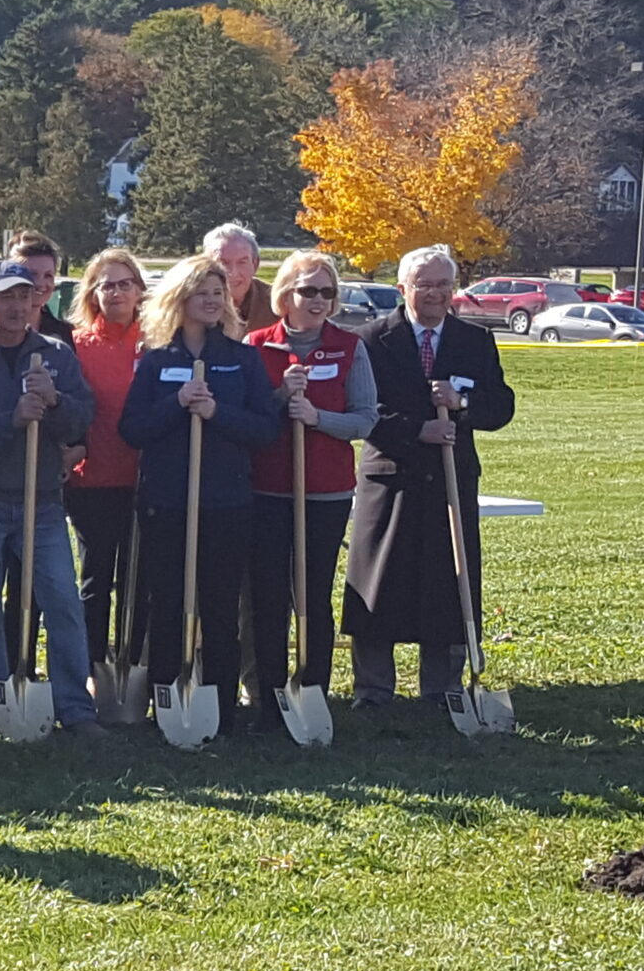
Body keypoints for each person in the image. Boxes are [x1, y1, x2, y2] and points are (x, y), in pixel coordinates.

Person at [342, 244, 515, 707]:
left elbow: (501, 407)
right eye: (424, 285)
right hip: (390, 477)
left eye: (443, 284)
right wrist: (417, 430)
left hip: (450, 480)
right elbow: (364, 410)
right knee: (378, 582)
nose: (435, 294)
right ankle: (373, 688)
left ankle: (442, 688)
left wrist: (462, 407)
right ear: (403, 288)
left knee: (448, 580)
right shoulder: (371, 339)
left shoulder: (474, 341)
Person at [0, 260, 99, 732]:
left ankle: (74, 707)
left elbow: (80, 419)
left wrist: (54, 402)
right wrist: (12, 417)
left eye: (24, 297)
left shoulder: (55, 355)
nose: (16, 307)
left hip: (41, 500)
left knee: (62, 602)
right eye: (5, 297)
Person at [121, 254, 280, 725]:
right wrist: (176, 404)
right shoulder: (157, 362)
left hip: (225, 501)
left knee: (219, 604)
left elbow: (265, 430)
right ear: (180, 299)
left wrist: (217, 414)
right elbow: (132, 429)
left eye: (217, 293)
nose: (211, 301)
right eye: (201, 293)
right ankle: (166, 699)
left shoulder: (242, 359)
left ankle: (219, 705)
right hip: (167, 500)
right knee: (167, 602)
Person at [246, 249, 377, 729]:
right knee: (267, 594)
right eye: (308, 291)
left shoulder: (349, 347)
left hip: (325, 491)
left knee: (313, 594)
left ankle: (313, 689)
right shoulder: (257, 345)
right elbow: (248, 416)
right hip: (267, 489)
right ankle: (268, 695)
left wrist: (317, 418)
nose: (318, 300)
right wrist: (282, 396)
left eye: (326, 292)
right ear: (286, 295)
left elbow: (365, 418)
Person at [65, 248, 146, 683]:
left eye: (125, 283)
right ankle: (92, 667)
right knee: (96, 580)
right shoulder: (77, 345)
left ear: (139, 290)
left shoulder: (156, 343)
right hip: (93, 480)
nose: (116, 292)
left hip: (146, 480)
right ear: (93, 292)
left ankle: (131, 666)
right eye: (107, 284)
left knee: (139, 582)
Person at [203, 222, 274, 333]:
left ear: (255, 264)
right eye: (223, 263)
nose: (233, 273)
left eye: (242, 262)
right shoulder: (190, 304)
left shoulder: (277, 303)